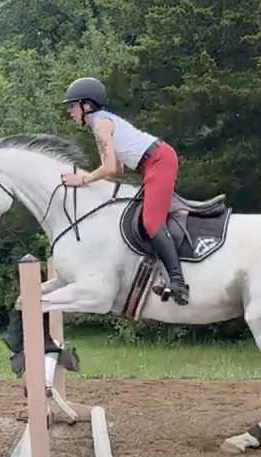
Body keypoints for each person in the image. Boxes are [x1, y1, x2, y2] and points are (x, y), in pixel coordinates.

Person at [60, 77, 189, 305]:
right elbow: (117, 169)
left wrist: (83, 179)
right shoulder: (100, 125)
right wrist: (90, 179)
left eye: (72, 106)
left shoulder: (101, 125)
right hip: (151, 163)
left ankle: (178, 283)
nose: (70, 111)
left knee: (151, 222)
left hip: (159, 160)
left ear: (86, 106)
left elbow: (109, 168)